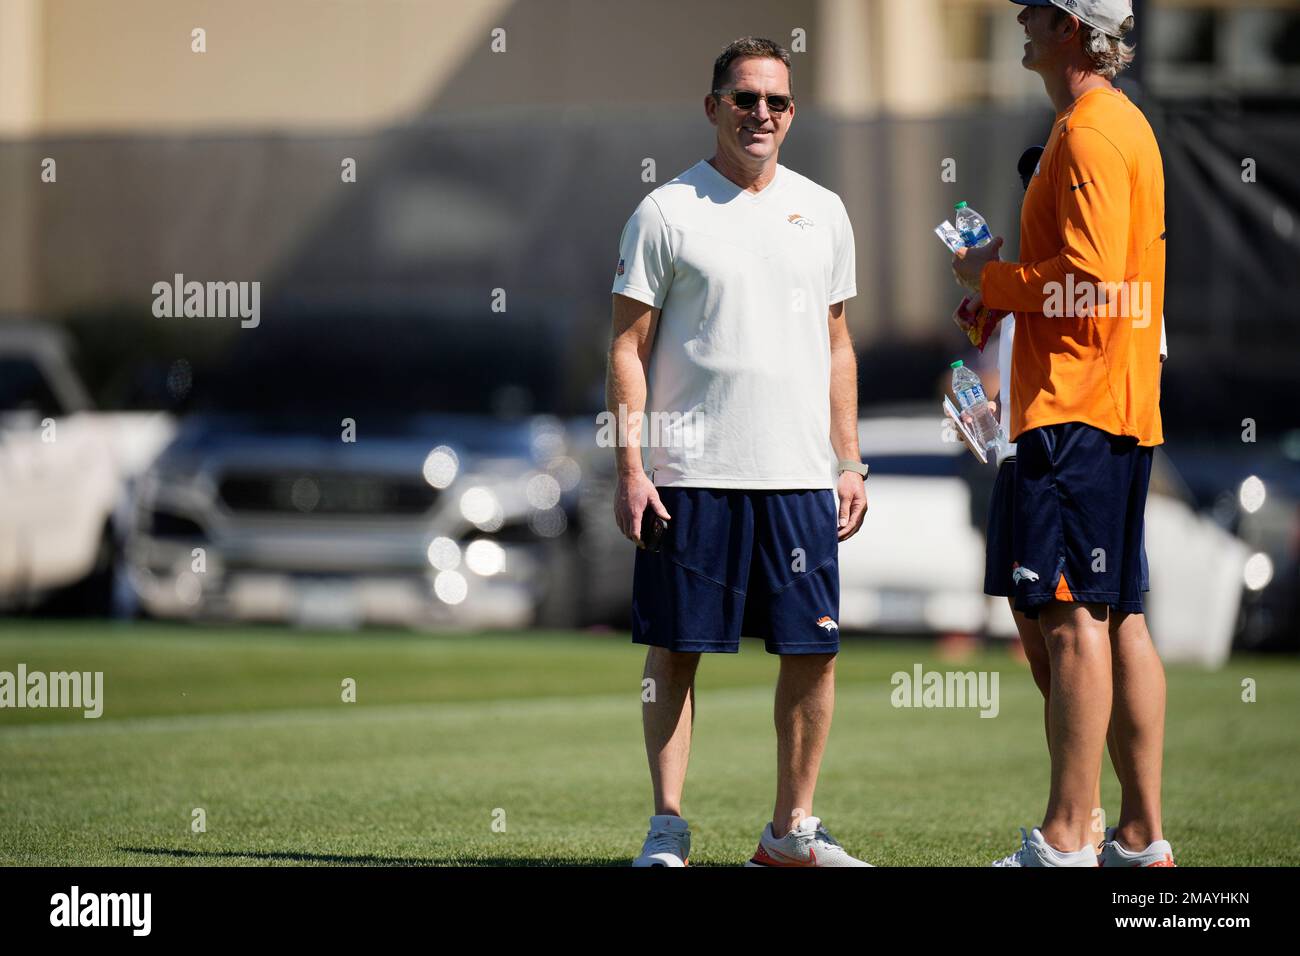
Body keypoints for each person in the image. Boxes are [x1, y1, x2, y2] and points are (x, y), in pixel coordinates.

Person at [607, 36, 870, 867]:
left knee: (812, 649)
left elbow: (837, 346)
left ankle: (791, 833)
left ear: (793, 113)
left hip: (798, 477)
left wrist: (850, 459)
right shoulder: (664, 211)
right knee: (676, 651)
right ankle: (667, 827)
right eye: (746, 98)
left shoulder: (824, 209)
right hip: (692, 478)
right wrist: (631, 467)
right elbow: (625, 348)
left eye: (778, 102)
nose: (762, 114)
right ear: (714, 105)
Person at [952, 0, 1175, 867]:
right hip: (1107, 402)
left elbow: (1086, 280)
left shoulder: (1088, 132)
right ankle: (1137, 835)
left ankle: (1066, 838)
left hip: (1076, 408)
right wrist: (997, 298)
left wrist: (991, 275)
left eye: (1036, 10)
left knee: (1069, 615)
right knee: (1112, 618)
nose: (1020, 18)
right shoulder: (1120, 125)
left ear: (1074, 29)